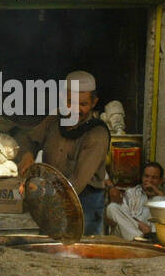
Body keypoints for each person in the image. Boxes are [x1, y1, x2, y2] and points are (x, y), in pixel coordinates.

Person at [17, 70, 111, 236]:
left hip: (83, 202)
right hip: (52, 194)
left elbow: (76, 183)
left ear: (94, 102)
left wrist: (38, 192)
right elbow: (29, 139)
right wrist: (27, 156)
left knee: (81, 253)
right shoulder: (54, 119)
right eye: (70, 102)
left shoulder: (97, 134)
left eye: (83, 104)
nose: (75, 109)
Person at [106, 161, 165, 240]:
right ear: (142, 177)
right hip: (129, 232)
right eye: (146, 176)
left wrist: (158, 194)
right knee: (112, 207)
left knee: (159, 201)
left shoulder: (162, 198)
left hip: (151, 235)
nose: (149, 180)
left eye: (154, 178)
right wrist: (140, 224)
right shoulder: (131, 193)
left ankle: (141, 239)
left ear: (160, 181)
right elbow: (124, 215)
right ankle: (140, 239)